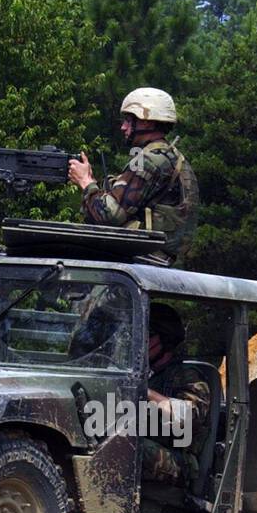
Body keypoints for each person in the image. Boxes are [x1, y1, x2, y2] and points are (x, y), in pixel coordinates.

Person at [68, 88, 199, 266]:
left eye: (129, 121)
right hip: (158, 260)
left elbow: (110, 217)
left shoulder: (149, 161)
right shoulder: (170, 156)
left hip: (143, 260)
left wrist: (86, 182)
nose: (123, 127)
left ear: (147, 122)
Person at [141, 303, 210, 489]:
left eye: (146, 335)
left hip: (180, 461)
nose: (139, 341)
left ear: (165, 339)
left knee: (126, 445)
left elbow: (190, 417)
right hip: (153, 447)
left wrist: (145, 393)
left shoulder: (187, 376)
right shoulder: (152, 375)